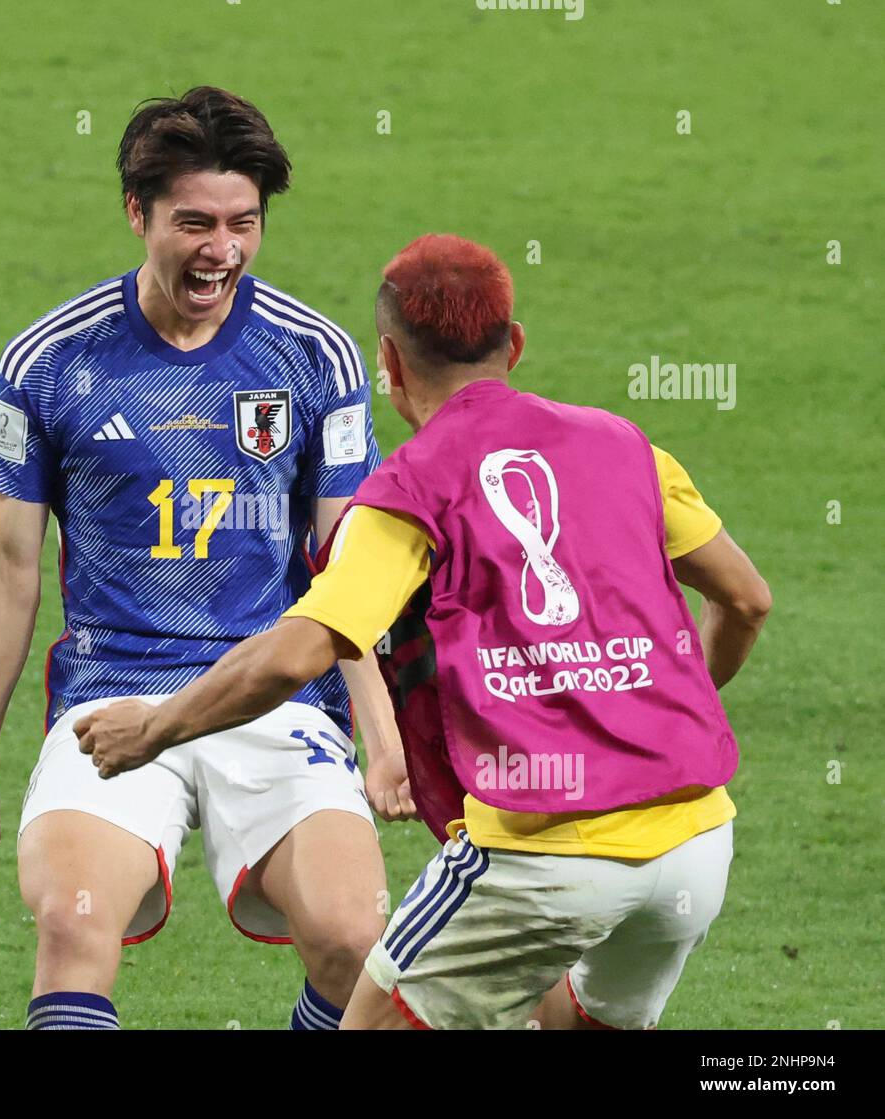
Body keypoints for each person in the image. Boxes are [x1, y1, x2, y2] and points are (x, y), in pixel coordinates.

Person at [75, 233, 772, 1030]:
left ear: (391, 364)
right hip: (695, 846)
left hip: (539, 854)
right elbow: (747, 598)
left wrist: (158, 725)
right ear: (513, 345)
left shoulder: (406, 489)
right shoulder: (628, 447)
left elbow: (304, 648)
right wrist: (644, 710)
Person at [0, 86, 414, 1032]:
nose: (221, 249)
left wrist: (385, 740)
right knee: (74, 929)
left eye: (243, 223)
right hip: (112, 698)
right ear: (136, 214)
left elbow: (345, 562)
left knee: (355, 941)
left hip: (272, 694)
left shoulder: (315, 357)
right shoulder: (49, 363)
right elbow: (7, 567)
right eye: (194, 223)